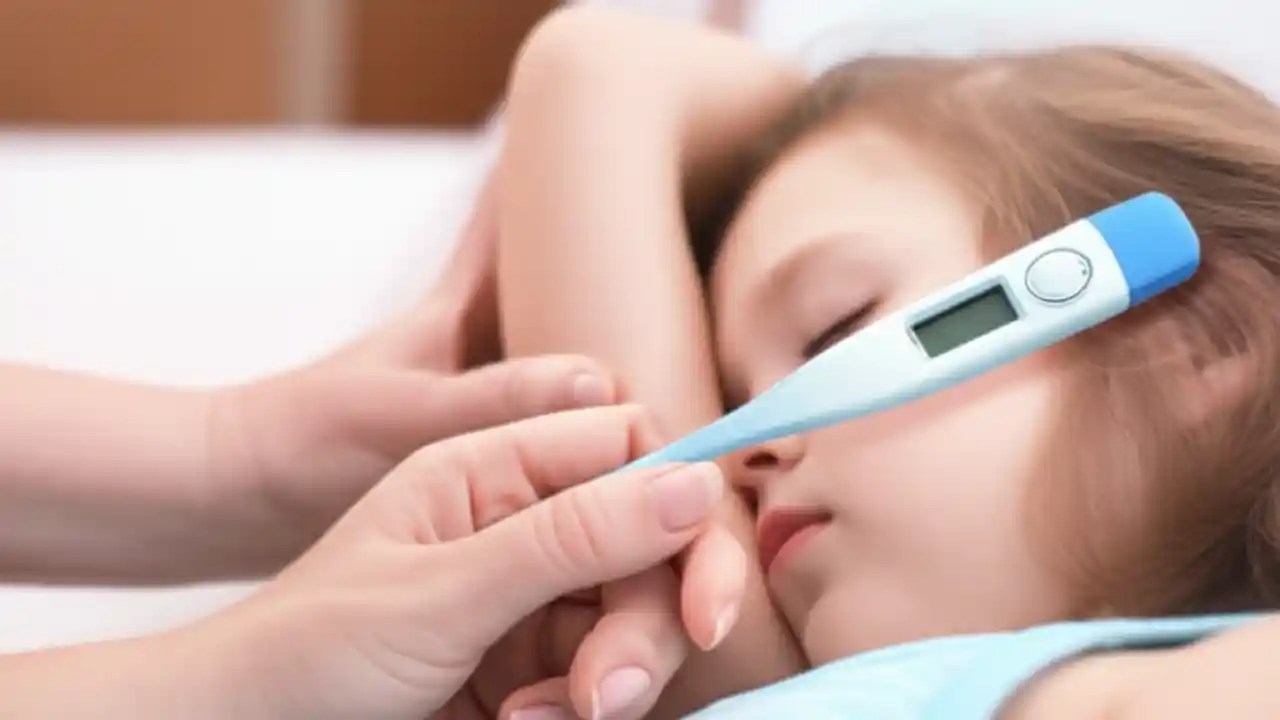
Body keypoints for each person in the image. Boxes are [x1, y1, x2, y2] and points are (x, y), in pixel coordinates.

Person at [491, 6, 1280, 718]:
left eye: (832, 330)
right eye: (720, 400)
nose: (738, 454)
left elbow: (593, 70)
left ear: (1194, 342)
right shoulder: (734, 657)